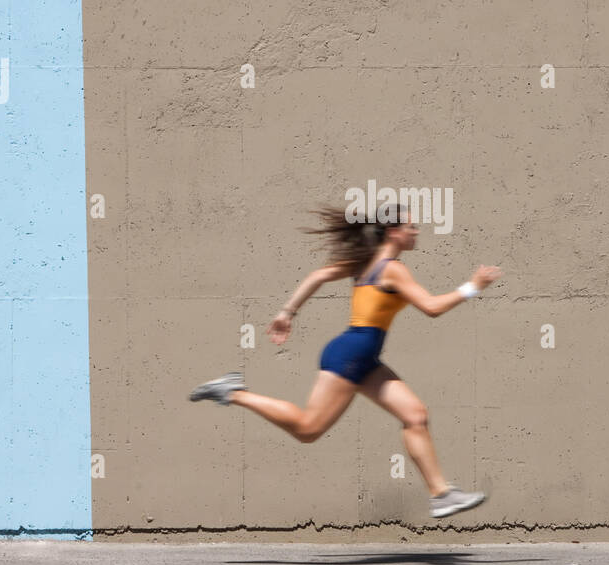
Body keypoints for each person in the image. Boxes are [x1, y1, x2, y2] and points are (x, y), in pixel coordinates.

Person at [190, 203, 502, 518]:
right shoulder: (393, 268)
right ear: (394, 232)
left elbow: (318, 276)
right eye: (411, 227)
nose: (416, 232)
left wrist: (288, 313)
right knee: (307, 429)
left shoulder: (366, 263)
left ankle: (441, 494)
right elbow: (431, 307)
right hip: (351, 355)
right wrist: (472, 287)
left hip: (363, 358)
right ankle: (233, 391)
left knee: (415, 415)